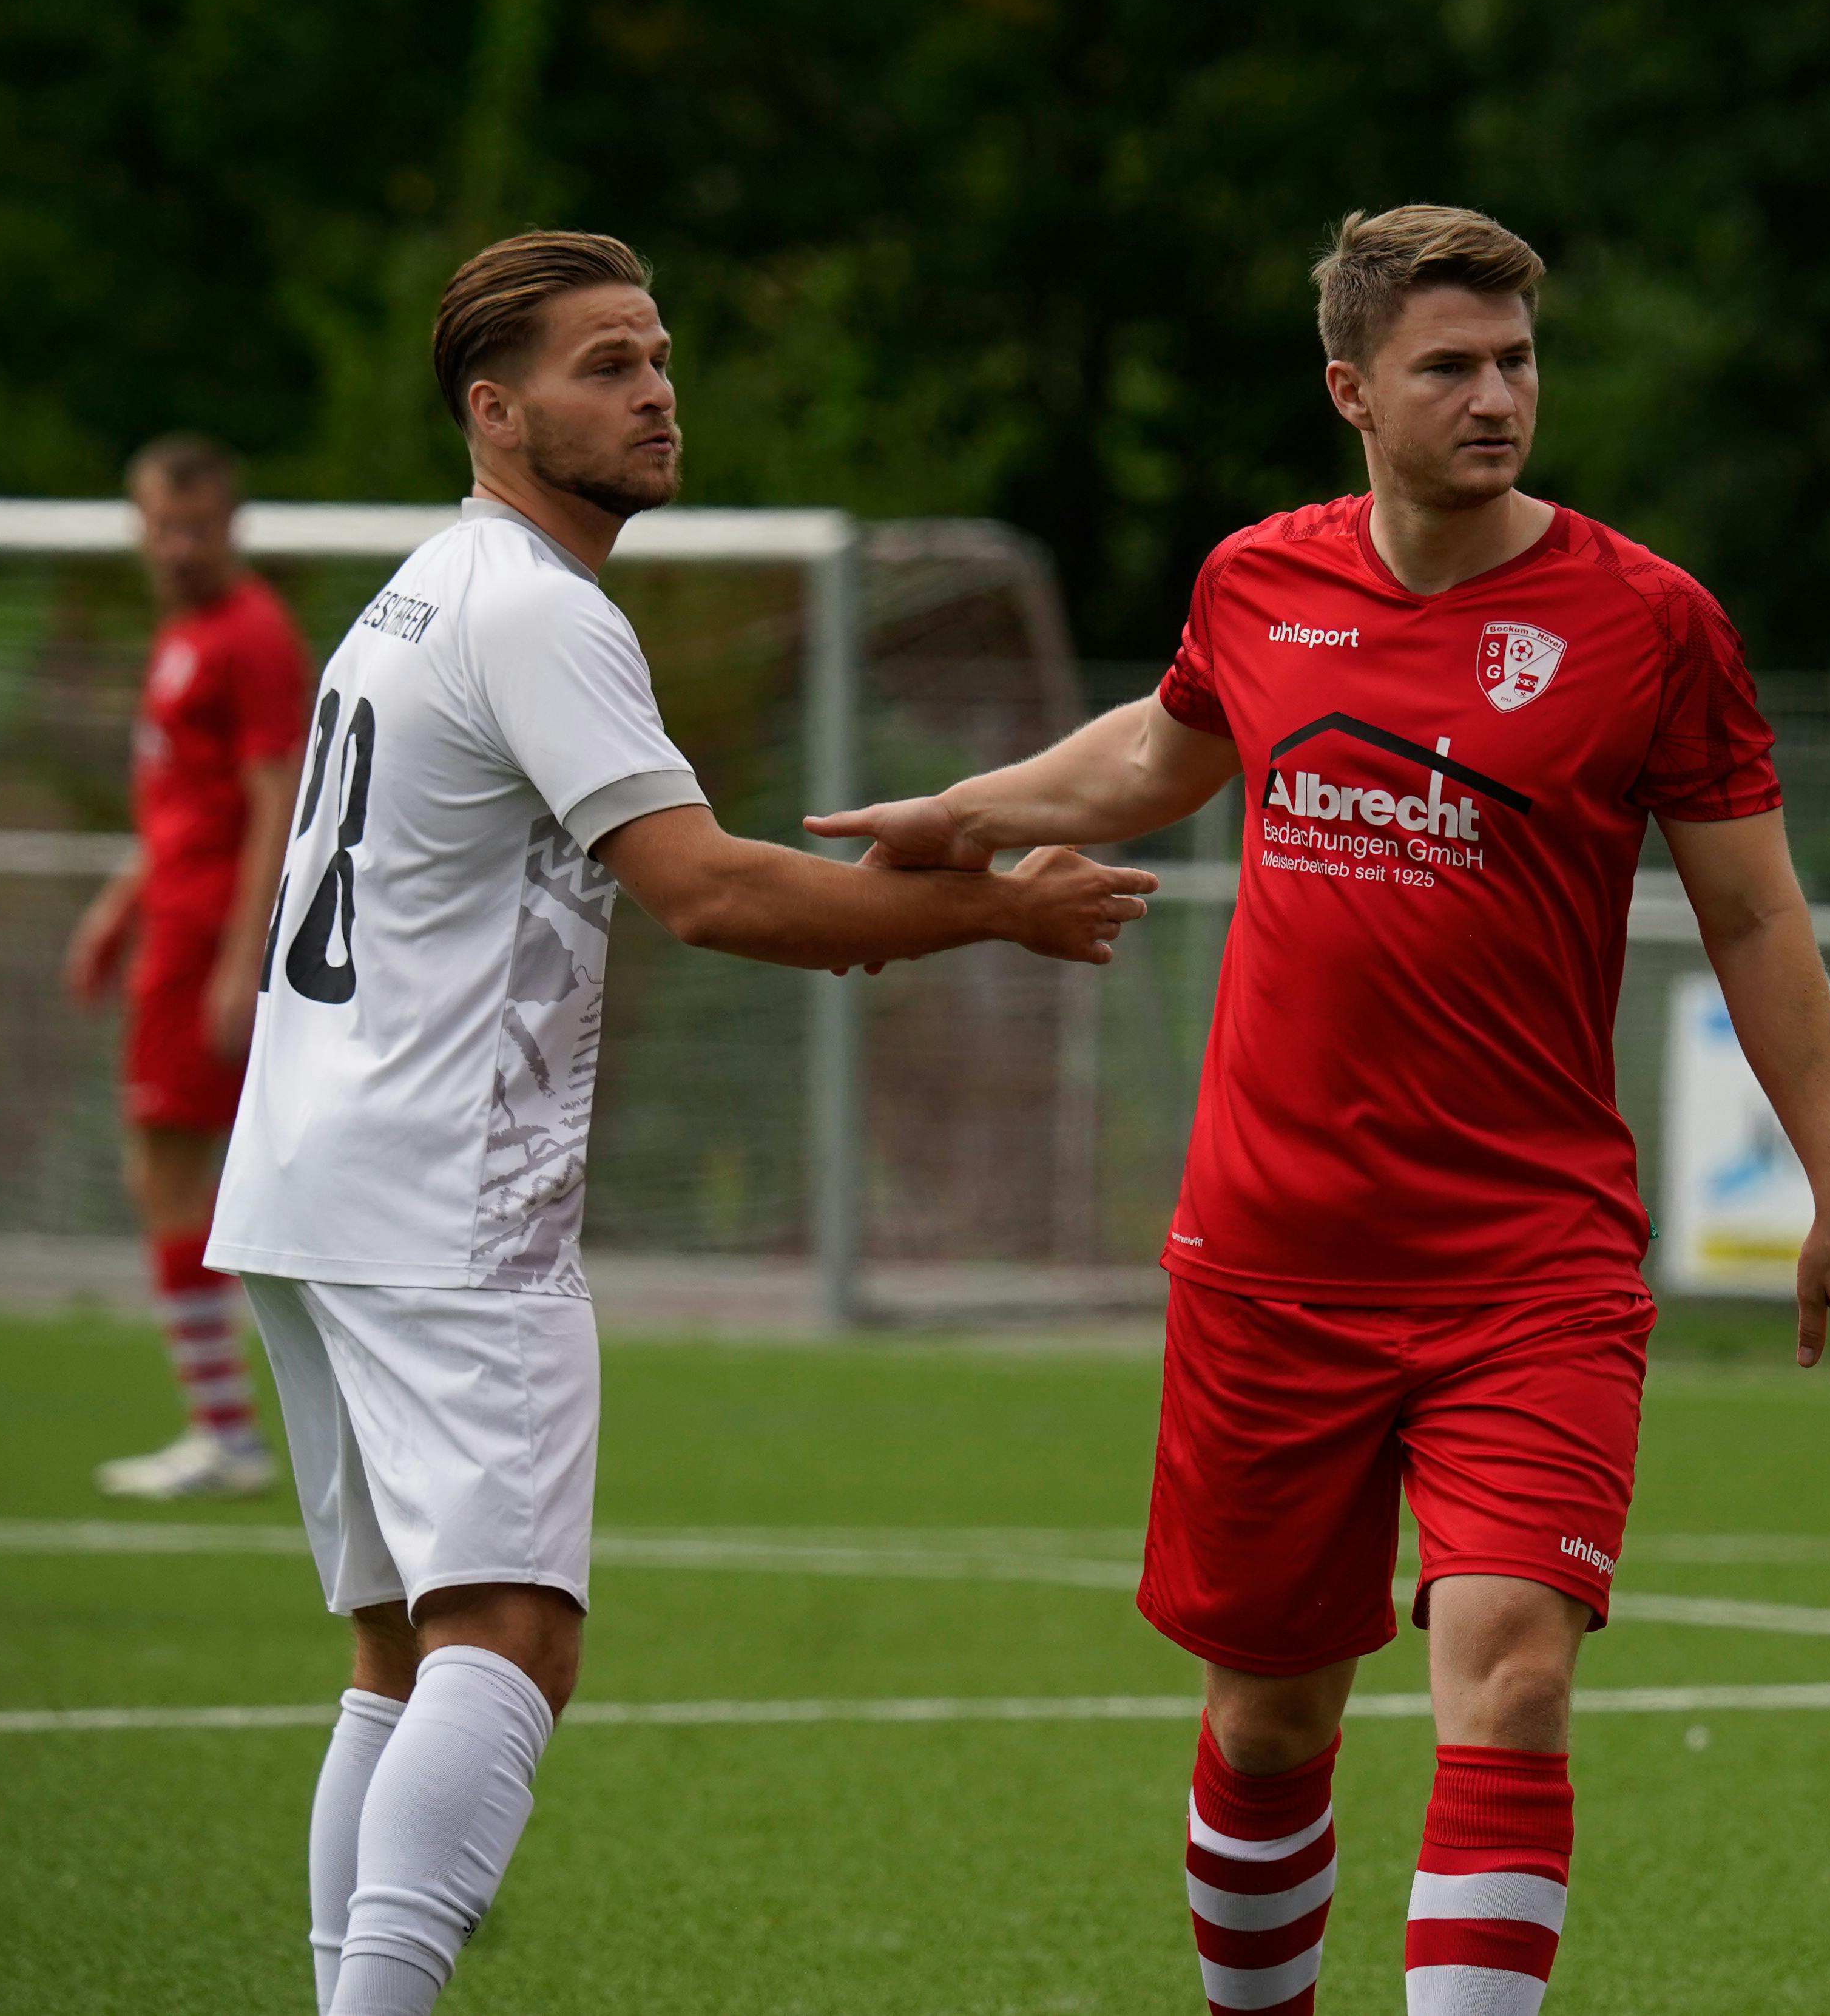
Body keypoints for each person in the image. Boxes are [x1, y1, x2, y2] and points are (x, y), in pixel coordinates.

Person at [807, 205, 1830, 2016]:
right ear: (1350, 390)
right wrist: (972, 807)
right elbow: (1161, 752)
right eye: (1449, 368)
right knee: (1264, 1720)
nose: (1496, 399)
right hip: (1270, 1258)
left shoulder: (1649, 623)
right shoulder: (1258, 578)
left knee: (1516, 1674)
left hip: (1530, 1263)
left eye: (1517, 363)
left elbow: (1753, 911)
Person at [203, 229, 1156, 2016]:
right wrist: (996, 907)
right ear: (494, 411)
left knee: (402, 1654)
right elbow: (712, 891)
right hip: (437, 1187)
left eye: (655, 358)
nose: (652, 394)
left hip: (312, 1168)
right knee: (512, 1638)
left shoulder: (417, 588)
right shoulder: (534, 605)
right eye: (601, 365)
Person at [64, 435, 312, 1500]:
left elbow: (275, 798)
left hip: (211, 932)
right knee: (169, 1169)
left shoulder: (251, 633)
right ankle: (228, 1426)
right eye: (158, 526)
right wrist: (118, 906)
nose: (174, 546)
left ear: (231, 525)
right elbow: (181, 802)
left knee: (186, 1170)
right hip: (172, 923)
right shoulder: (184, 633)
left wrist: (236, 957)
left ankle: (231, 1431)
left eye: (194, 527)